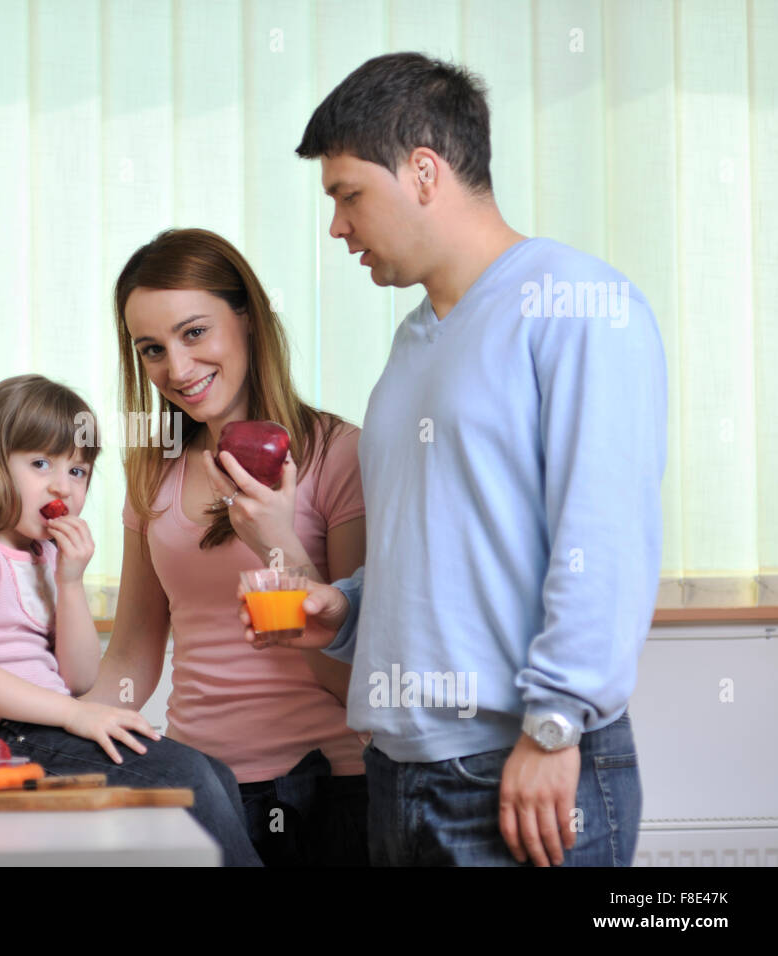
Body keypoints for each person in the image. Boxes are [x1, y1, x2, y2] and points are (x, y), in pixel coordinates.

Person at [241, 52, 666, 867]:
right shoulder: (413, 345)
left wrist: (554, 726)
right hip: (399, 774)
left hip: (519, 767)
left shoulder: (578, 307)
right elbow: (443, 550)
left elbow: (604, 538)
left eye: (348, 195)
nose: (337, 227)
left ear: (424, 171)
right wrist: (345, 611)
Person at [80, 228, 370, 866]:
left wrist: (277, 544)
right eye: (152, 349)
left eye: (194, 333)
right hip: (200, 787)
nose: (177, 369)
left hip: (326, 789)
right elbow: (132, 654)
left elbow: (355, 673)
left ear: (248, 319)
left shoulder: (338, 454)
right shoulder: (154, 469)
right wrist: (57, 732)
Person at [0, 374, 262, 866]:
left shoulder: (43, 555)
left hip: (39, 727)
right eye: (40, 463)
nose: (61, 485)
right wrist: (74, 715)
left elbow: (80, 678)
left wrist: (70, 581)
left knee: (216, 775)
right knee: (189, 779)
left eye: (79, 470)